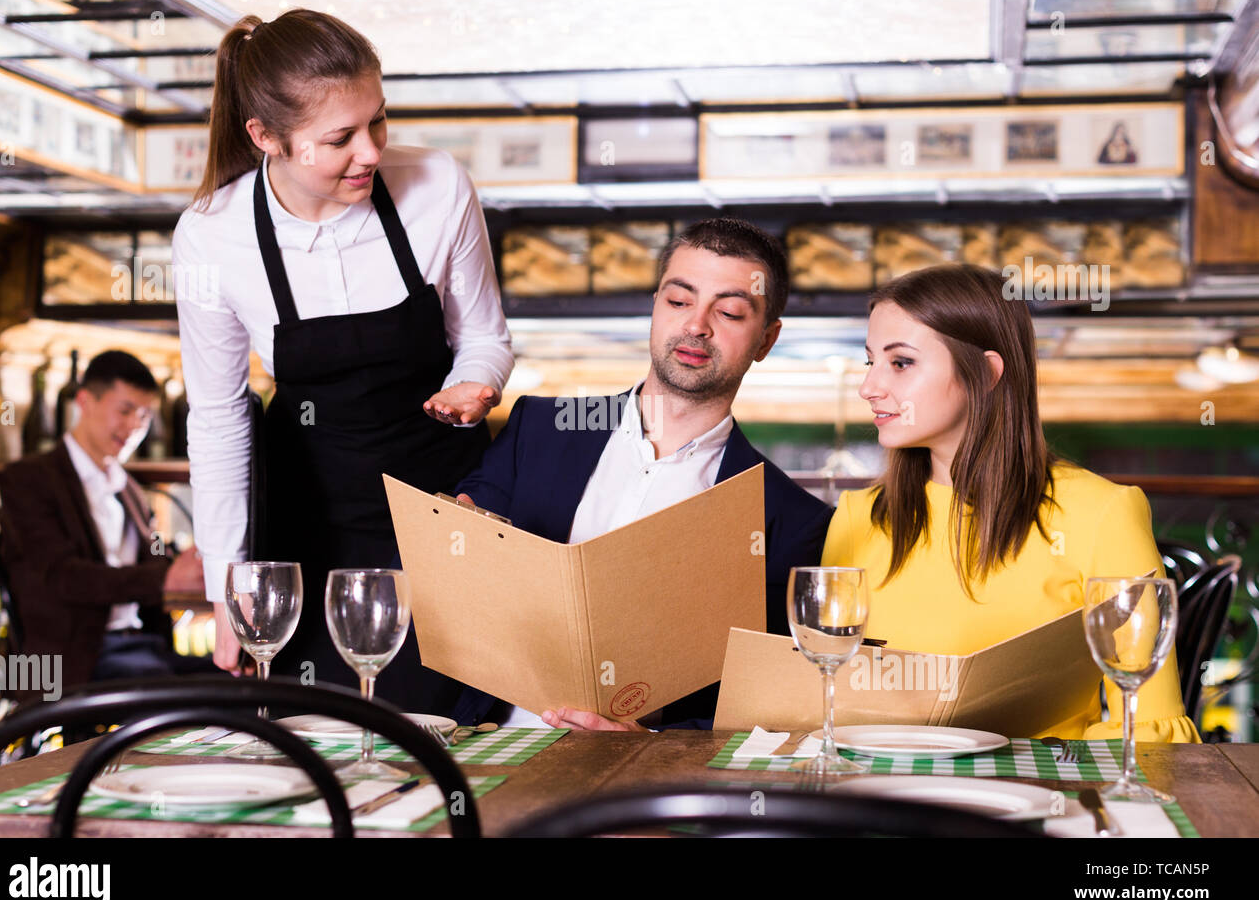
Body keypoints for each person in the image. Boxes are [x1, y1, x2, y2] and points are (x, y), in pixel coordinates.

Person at [173, 10, 513, 715]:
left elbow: (484, 334)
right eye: (339, 139)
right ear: (265, 137)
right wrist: (225, 580)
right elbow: (216, 415)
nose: (370, 151)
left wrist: (473, 383)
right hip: (309, 530)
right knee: (322, 737)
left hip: (443, 508)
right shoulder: (211, 237)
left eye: (378, 122)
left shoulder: (439, 185)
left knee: (458, 735)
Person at [451, 217, 832, 731]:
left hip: (647, 787)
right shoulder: (538, 429)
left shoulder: (791, 518)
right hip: (490, 747)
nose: (697, 325)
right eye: (679, 302)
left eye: (731, 312)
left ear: (767, 339)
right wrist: (460, 533)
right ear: (655, 306)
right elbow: (460, 545)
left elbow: (769, 707)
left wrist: (649, 744)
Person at [821, 263, 1199, 742]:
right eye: (870, 361)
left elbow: (1146, 726)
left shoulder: (1104, 513)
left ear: (986, 370)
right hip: (878, 796)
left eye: (900, 363)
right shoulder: (857, 517)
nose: (869, 387)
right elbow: (825, 697)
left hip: (1037, 799)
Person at [0, 350, 210, 700]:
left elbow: (152, 562)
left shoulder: (127, 486)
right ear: (85, 401)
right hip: (64, 662)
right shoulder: (28, 479)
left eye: (144, 416)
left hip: (141, 647)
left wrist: (188, 567)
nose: (135, 427)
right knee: (187, 698)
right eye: (125, 411)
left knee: (240, 677)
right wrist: (164, 578)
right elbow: (64, 577)